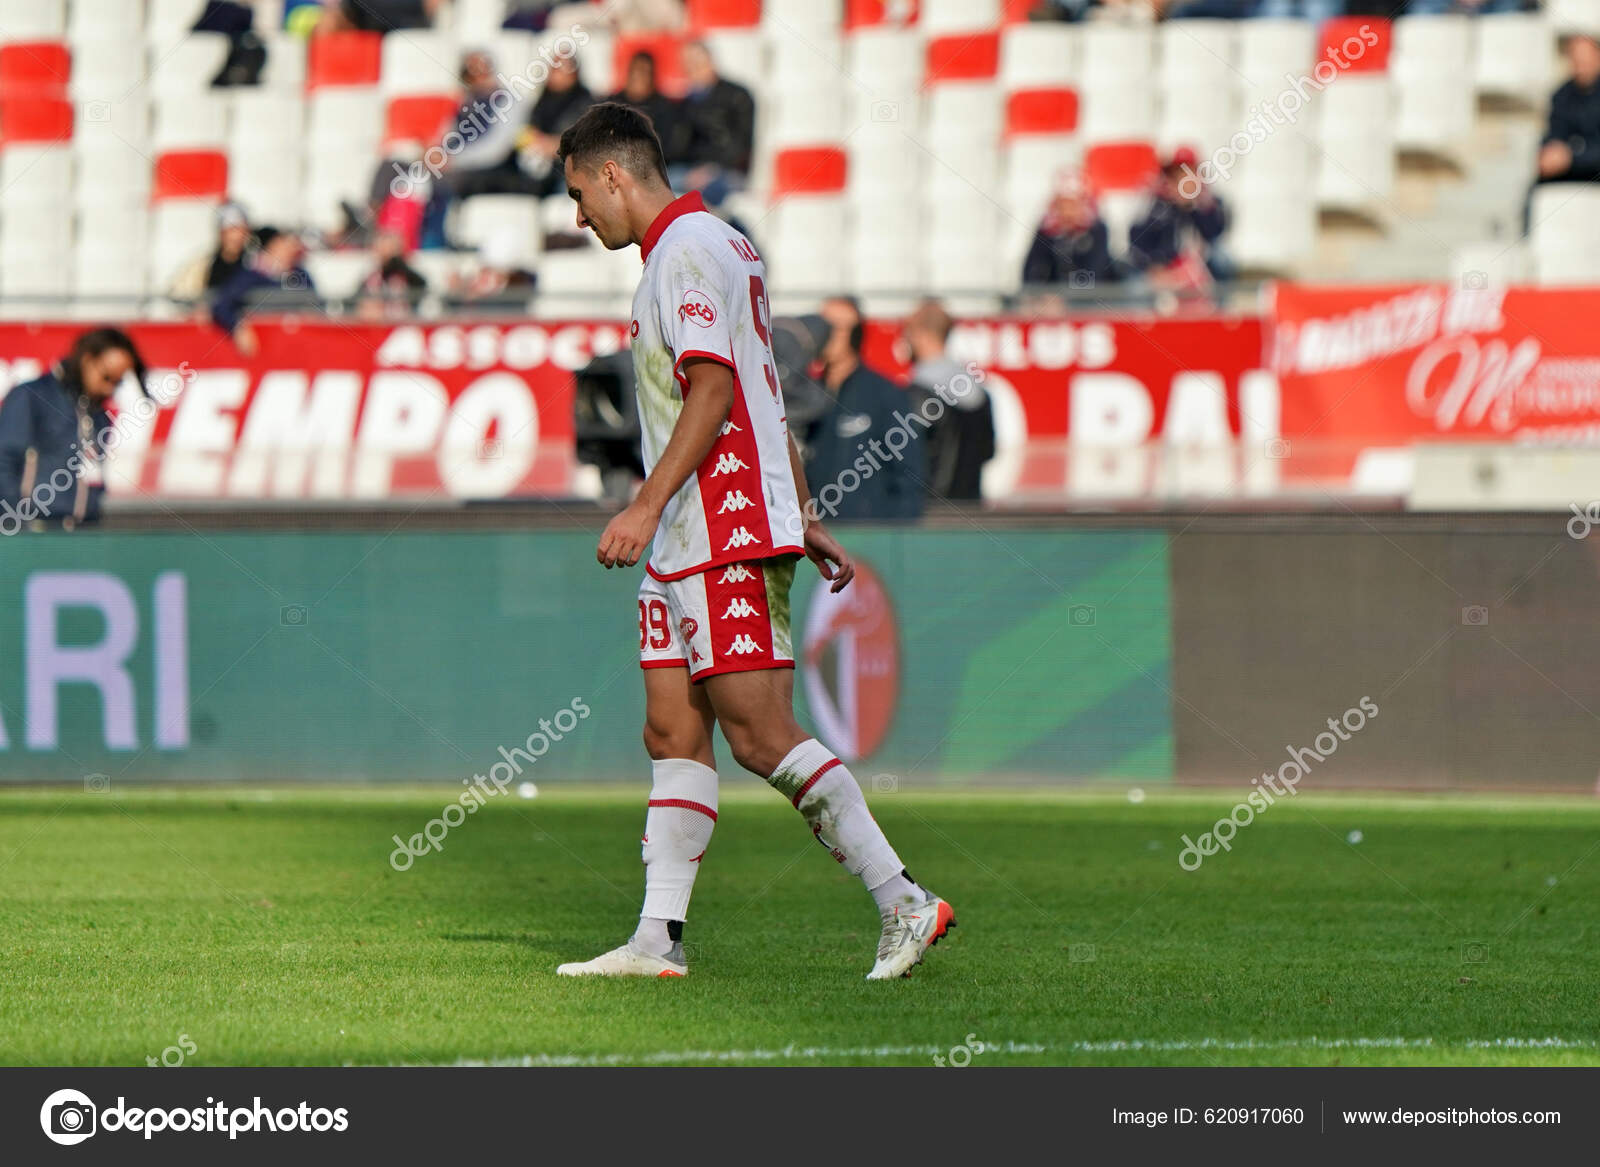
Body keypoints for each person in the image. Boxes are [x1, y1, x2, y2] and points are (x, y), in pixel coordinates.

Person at [552, 103, 954, 980]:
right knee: (671, 731)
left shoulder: (691, 250)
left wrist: (646, 506)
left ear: (614, 174)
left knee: (760, 734)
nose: (580, 217)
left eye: (582, 194)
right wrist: (800, 510)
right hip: (702, 524)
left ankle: (905, 900)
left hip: (715, 520)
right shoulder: (709, 247)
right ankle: (658, 941)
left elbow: (715, 392)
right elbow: (767, 386)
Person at [0, 328, 147, 531]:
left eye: (118, 381)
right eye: (106, 377)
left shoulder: (98, 415)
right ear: (87, 361)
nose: (110, 388)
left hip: (84, 532)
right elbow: (4, 461)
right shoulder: (31, 396)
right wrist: (15, 524)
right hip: (36, 530)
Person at [803, 295, 926, 521]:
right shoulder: (803, 394)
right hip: (814, 537)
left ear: (856, 333)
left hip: (869, 539)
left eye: (834, 328)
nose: (824, 335)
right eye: (820, 327)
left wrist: (895, 539)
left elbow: (908, 477)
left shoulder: (886, 394)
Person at [903, 298, 993, 502]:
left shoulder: (916, 393)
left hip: (930, 511)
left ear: (921, 336)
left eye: (907, 333)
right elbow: (988, 452)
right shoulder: (979, 390)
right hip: (972, 505)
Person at [1127, 146, 1231, 289]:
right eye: (1176, 175)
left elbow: (1215, 234)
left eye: (1188, 175)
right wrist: (1156, 267)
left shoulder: (1209, 203)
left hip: (1201, 270)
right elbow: (1138, 242)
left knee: (1223, 262)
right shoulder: (1153, 204)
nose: (1183, 181)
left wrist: (1197, 206)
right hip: (1160, 271)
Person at [1528, 32, 1600, 232]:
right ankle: (1532, 240)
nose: (1580, 66)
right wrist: (1549, 154)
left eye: (1585, 59)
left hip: (1590, 168)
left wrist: (1573, 156)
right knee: (1538, 186)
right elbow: (1554, 135)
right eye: (1576, 60)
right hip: (1573, 171)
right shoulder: (1562, 95)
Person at [671, 41, 755, 208]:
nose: (692, 68)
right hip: (691, 170)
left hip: (728, 171)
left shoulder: (737, 96)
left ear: (709, 61)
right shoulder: (686, 104)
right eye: (688, 64)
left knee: (713, 191)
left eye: (696, 62)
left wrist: (711, 169)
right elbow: (680, 147)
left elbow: (741, 143)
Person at [211, 227, 317, 357]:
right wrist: (237, 328)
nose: (289, 250)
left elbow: (316, 304)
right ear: (271, 247)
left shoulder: (301, 276)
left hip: (298, 351)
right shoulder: (251, 277)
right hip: (264, 352)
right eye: (283, 244)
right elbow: (222, 305)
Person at [1021, 170, 1126, 290]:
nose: (1067, 213)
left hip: (1092, 301)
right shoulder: (1046, 232)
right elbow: (1031, 270)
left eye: (1072, 205)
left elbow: (1093, 274)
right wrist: (1038, 295)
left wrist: (1061, 298)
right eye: (1062, 206)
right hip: (1057, 302)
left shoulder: (1097, 230)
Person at [522, 55, 595, 198]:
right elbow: (530, 130)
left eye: (561, 68)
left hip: (568, 168)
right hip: (539, 164)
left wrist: (553, 145)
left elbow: (584, 141)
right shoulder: (543, 99)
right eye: (553, 67)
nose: (555, 72)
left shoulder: (585, 101)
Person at [608, 50, 685, 165]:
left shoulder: (664, 107)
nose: (638, 76)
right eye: (635, 71)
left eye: (644, 72)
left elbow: (667, 147)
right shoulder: (612, 104)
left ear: (652, 76)